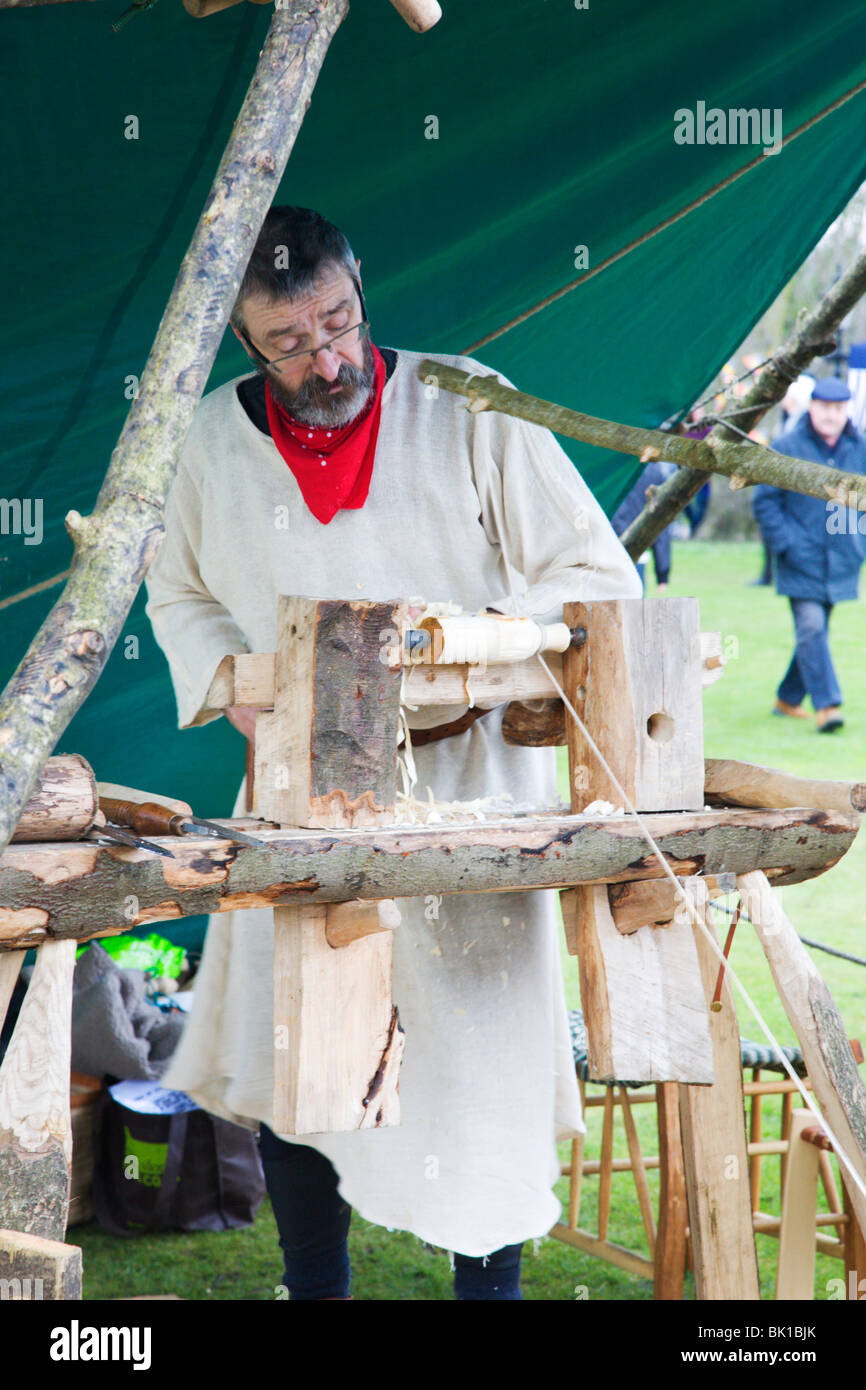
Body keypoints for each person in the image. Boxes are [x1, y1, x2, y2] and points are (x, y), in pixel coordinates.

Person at [143, 206, 641, 1300]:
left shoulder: (469, 403)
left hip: (471, 795)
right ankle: (315, 1288)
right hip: (300, 788)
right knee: (301, 1061)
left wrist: (471, 646)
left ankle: (489, 1294)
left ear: (359, 290)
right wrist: (243, 693)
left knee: (478, 1067)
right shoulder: (205, 448)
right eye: (290, 340)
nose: (325, 358)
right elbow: (176, 595)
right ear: (243, 341)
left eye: (337, 322)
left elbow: (597, 577)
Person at [752, 377, 866, 732]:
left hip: (843, 558)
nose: (831, 415)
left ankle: (788, 699)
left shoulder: (859, 448)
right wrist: (786, 544)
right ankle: (828, 706)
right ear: (812, 407)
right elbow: (765, 500)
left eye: (837, 408)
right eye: (824, 407)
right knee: (812, 626)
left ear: (845, 410)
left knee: (815, 632)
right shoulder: (786, 445)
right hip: (799, 559)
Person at [611, 459, 676, 591]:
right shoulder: (653, 471)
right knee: (635, 607)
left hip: (604, 551)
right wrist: (662, 572)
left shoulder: (608, 465)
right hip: (636, 548)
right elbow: (659, 521)